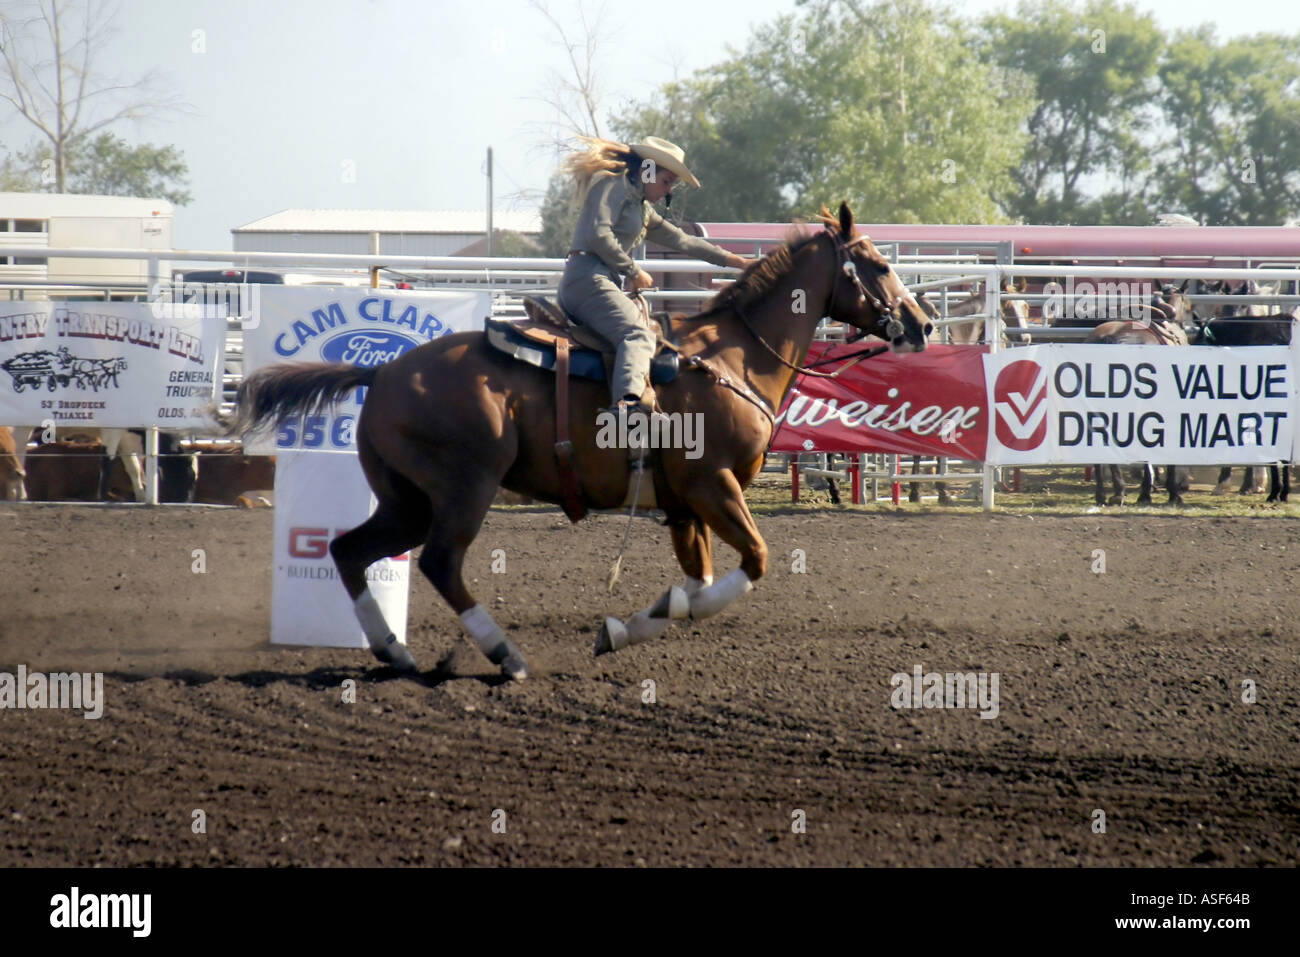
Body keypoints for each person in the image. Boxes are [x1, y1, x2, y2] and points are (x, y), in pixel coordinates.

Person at [557, 136, 753, 421]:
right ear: (647, 171)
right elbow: (598, 235)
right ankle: (627, 408)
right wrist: (633, 270)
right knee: (636, 334)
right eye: (666, 180)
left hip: (594, 281)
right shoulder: (614, 187)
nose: (668, 189)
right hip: (588, 280)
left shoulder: (640, 208)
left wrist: (737, 262)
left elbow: (684, 241)